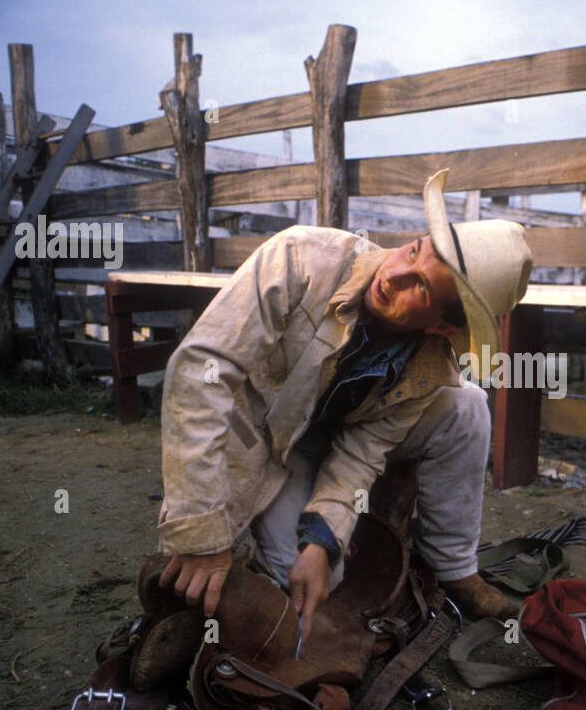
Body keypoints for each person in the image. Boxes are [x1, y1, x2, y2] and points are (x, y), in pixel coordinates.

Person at [153, 168, 532, 627]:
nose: (395, 276)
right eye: (413, 251)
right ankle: (242, 539)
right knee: (285, 578)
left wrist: (324, 539)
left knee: (467, 403)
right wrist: (202, 537)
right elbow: (199, 371)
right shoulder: (299, 257)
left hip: (331, 442)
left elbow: (359, 454)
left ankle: (453, 570)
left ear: (441, 327)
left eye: (421, 287)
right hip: (262, 435)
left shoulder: (431, 364)